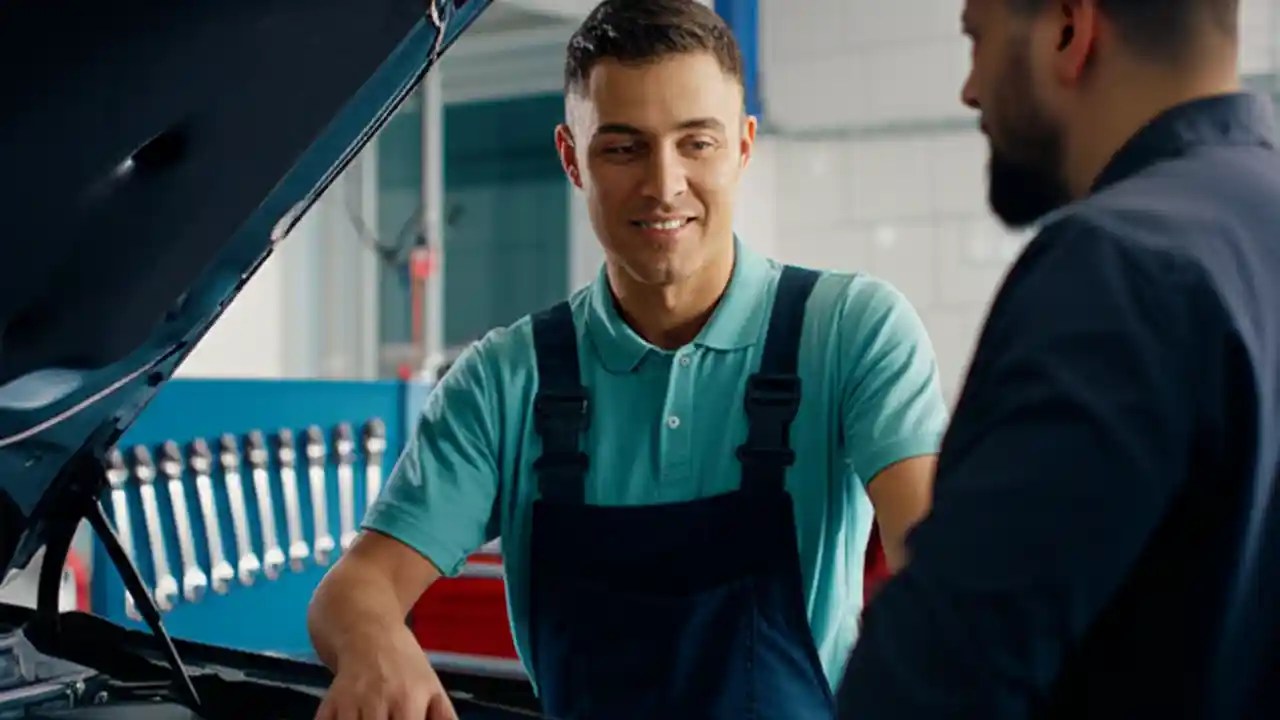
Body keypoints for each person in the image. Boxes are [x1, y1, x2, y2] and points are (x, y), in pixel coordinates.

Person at [307, 1, 950, 718]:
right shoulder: (503, 381)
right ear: (570, 157)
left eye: (696, 143)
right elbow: (355, 587)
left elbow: (937, 567)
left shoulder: (851, 332)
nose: (664, 184)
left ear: (741, 147)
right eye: (623, 147)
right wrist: (378, 644)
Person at [837, 0, 1280, 718]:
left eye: (977, 39)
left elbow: (933, 682)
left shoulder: (1118, 268)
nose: (970, 89)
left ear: (1070, 32)